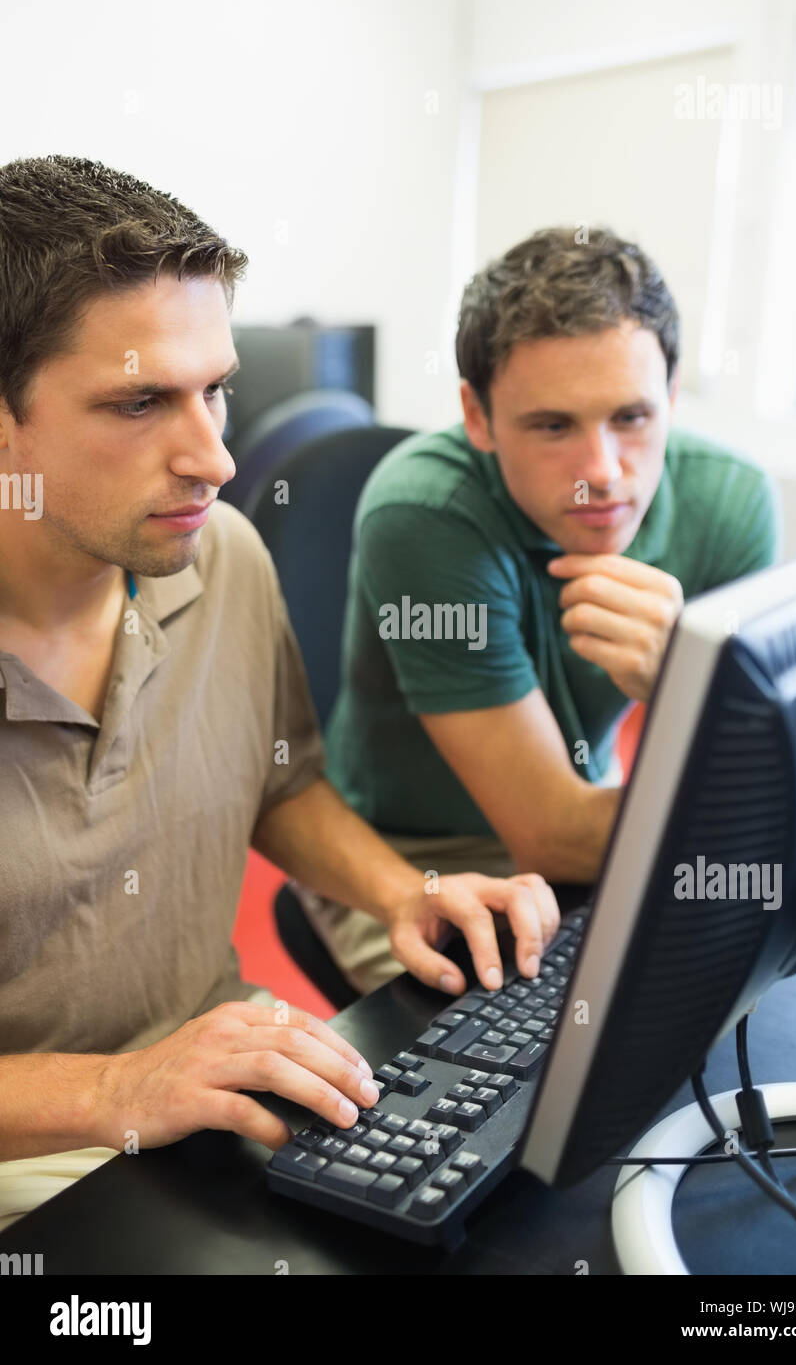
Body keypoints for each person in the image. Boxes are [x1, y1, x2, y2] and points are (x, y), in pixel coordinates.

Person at [0, 155, 559, 1231]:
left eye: (216, 389)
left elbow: (280, 785)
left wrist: (403, 891)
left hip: (211, 1078)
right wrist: (118, 1091)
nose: (212, 455)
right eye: (138, 401)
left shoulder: (221, 558)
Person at [304, 225, 781, 993]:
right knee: (527, 1080)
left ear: (672, 395)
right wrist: (726, 722)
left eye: (632, 417)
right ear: (479, 416)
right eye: (554, 425)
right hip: (409, 858)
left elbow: (732, 779)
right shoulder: (426, 513)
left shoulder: (731, 501)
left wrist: (697, 697)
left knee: (752, 1003)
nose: (602, 472)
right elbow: (553, 836)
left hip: (602, 810)